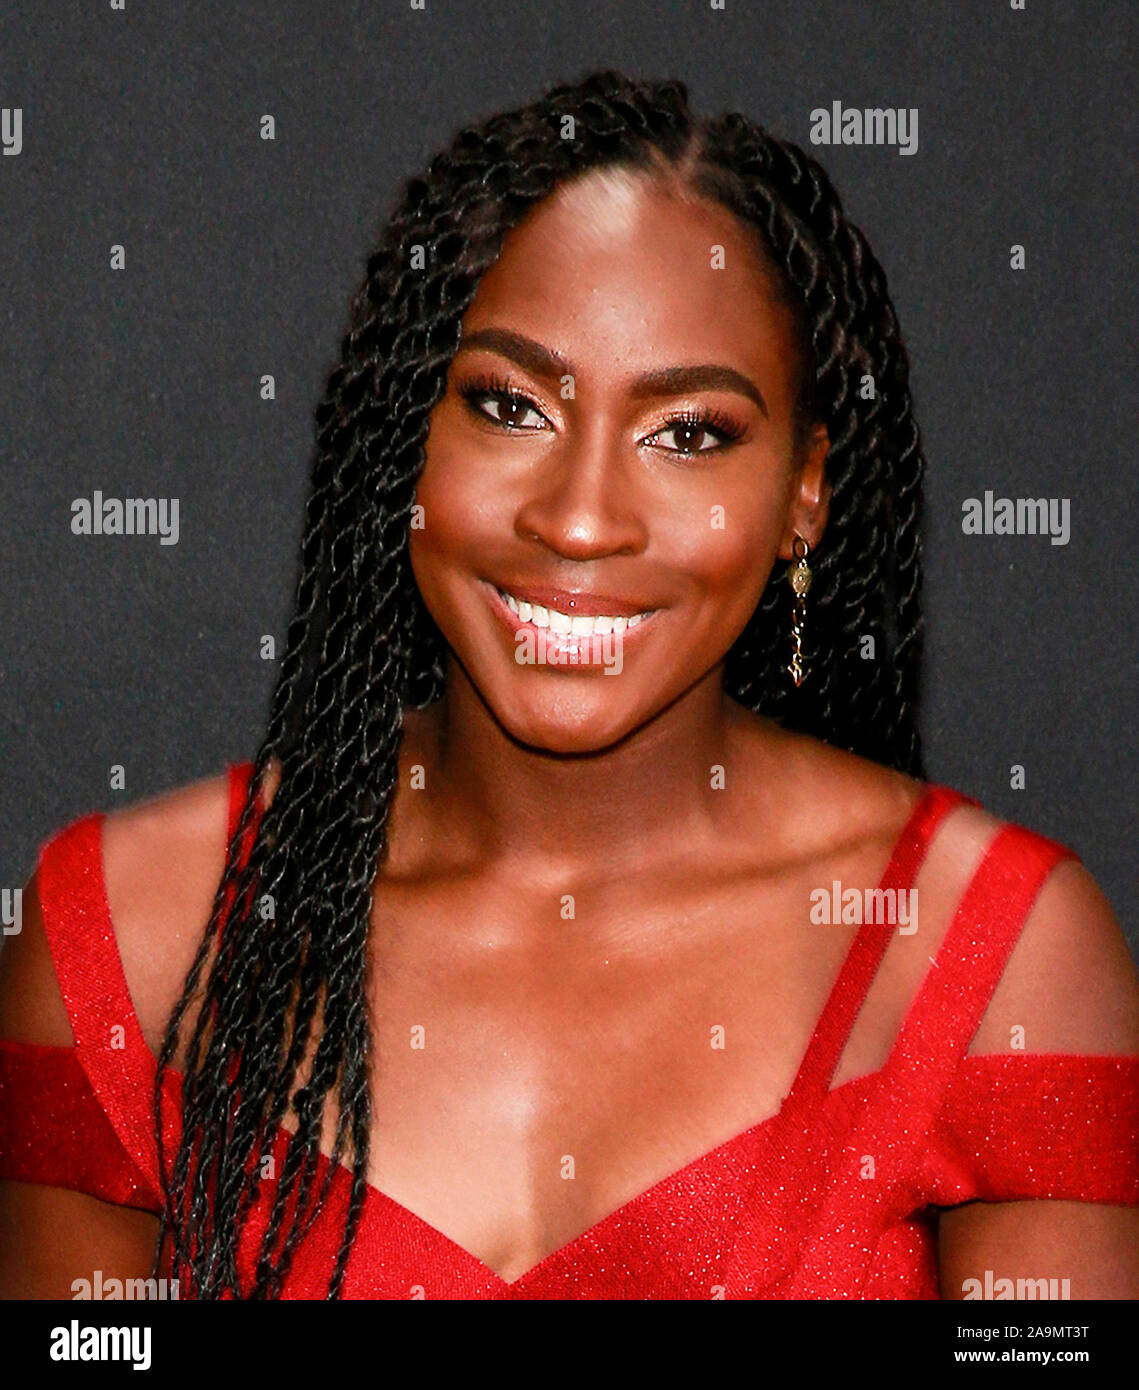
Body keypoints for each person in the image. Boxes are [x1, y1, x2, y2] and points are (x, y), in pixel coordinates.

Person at [1, 69, 1136, 1301]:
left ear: (804, 491)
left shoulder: (993, 962)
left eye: (689, 432)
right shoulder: (129, 939)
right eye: (509, 405)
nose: (581, 518)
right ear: (404, 439)